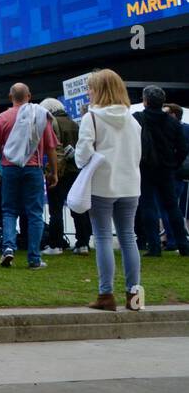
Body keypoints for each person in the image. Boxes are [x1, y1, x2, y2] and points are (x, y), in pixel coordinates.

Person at [76, 69, 143, 310]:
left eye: (91, 88)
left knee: (103, 237)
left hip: (102, 184)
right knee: (128, 237)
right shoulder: (132, 119)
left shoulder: (92, 117)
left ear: (99, 90)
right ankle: (135, 296)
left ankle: (106, 295)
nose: (88, 92)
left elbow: (82, 154)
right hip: (130, 184)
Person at [0, 82, 58, 269]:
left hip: (9, 168)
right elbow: (51, 148)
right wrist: (54, 171)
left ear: (10, 97)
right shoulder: (40, 116)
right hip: (34, 168)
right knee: (35, 213)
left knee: (9, 210)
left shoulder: (3, 117)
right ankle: (34, 258)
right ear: (29, 96)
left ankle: (8, 248)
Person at [132, 85, 189, 257]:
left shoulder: (138, 118)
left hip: (145, 167)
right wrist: (174, 164)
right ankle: (183, 244)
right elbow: (182, 148)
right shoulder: (172, 122)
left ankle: (154, 246)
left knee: (148, 206)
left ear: (145, 101)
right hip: (166, 169)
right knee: (173, 207)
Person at [40, 97, 90, 255]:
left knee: (55, 210)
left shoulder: (51, 124)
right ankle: (83, 243)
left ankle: (56, 244)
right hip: (75, 171)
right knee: (78, 209)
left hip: (58, 171)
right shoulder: (75, 123)